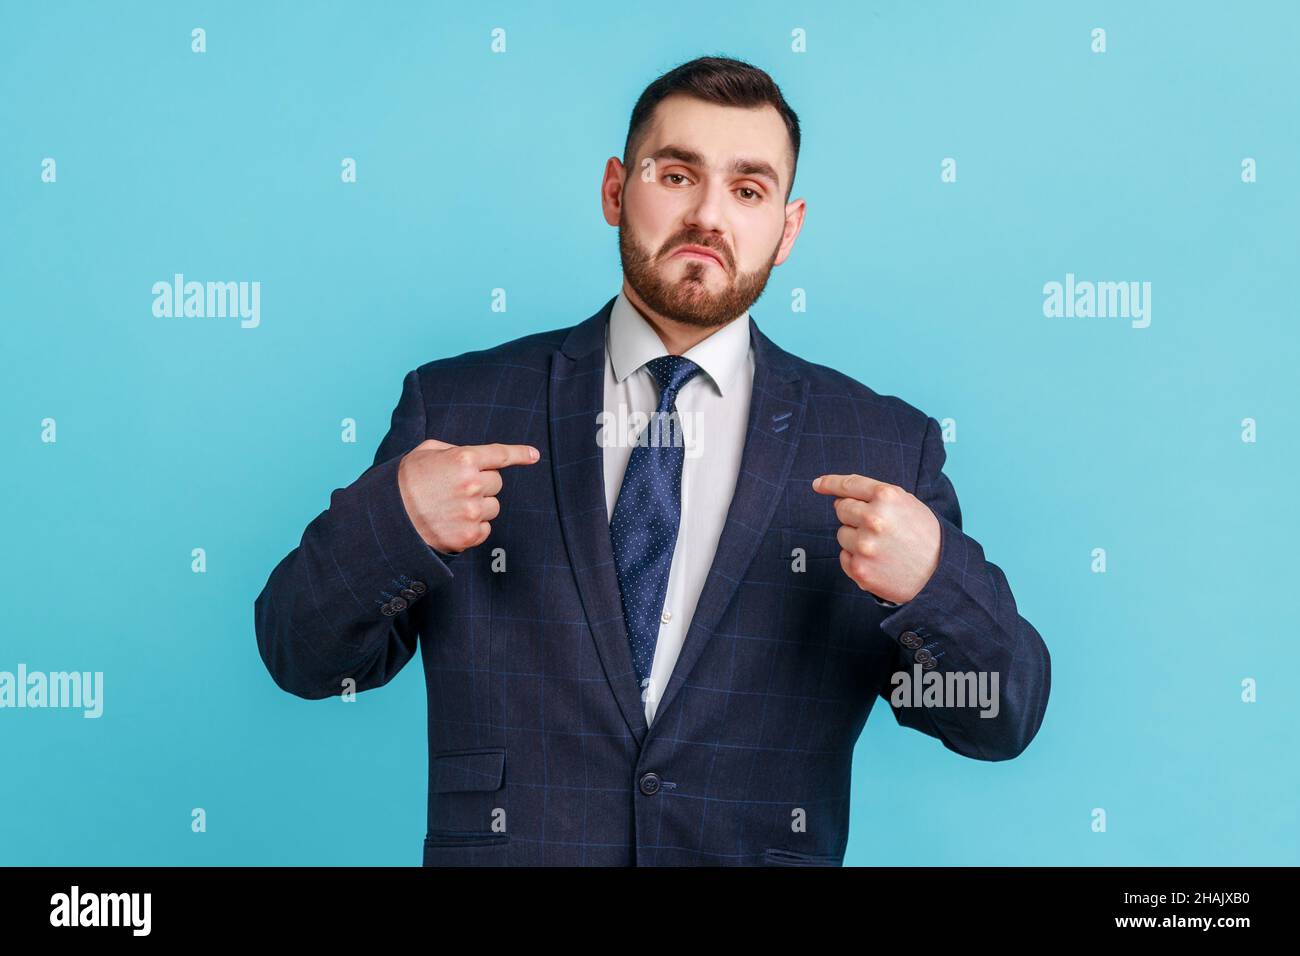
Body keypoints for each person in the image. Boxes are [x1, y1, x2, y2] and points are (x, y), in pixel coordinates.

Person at [254, 55, 1051, 867]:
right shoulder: (456, 408)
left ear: (788, 227)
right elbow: (302, 657)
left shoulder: (882, 445)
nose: (709, 215)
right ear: (614, 190)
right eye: (676, 175)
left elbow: (1000, 717)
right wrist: (394, 523)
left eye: (748, 190)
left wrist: (933, 585)